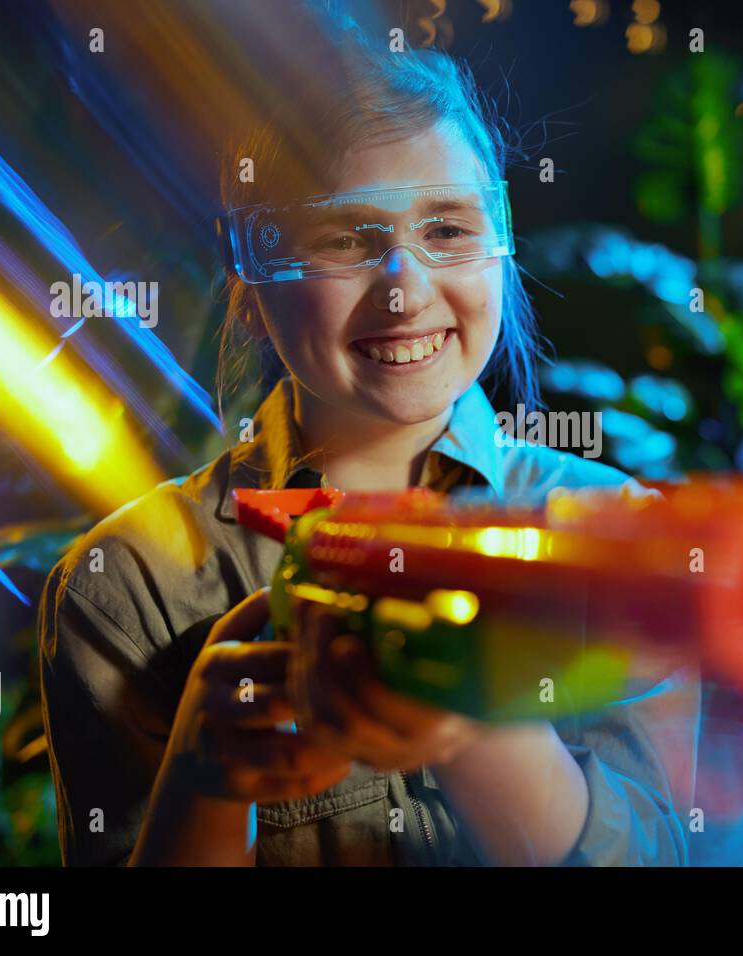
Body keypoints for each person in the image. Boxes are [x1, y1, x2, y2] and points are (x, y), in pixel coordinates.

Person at [38, 35, 698, 867]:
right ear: (250, 285)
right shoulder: (134, 583)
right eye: (343, 239)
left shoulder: (618, 541)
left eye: (449, 228)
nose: (405, 286)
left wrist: (466, 716)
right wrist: (206, 777)